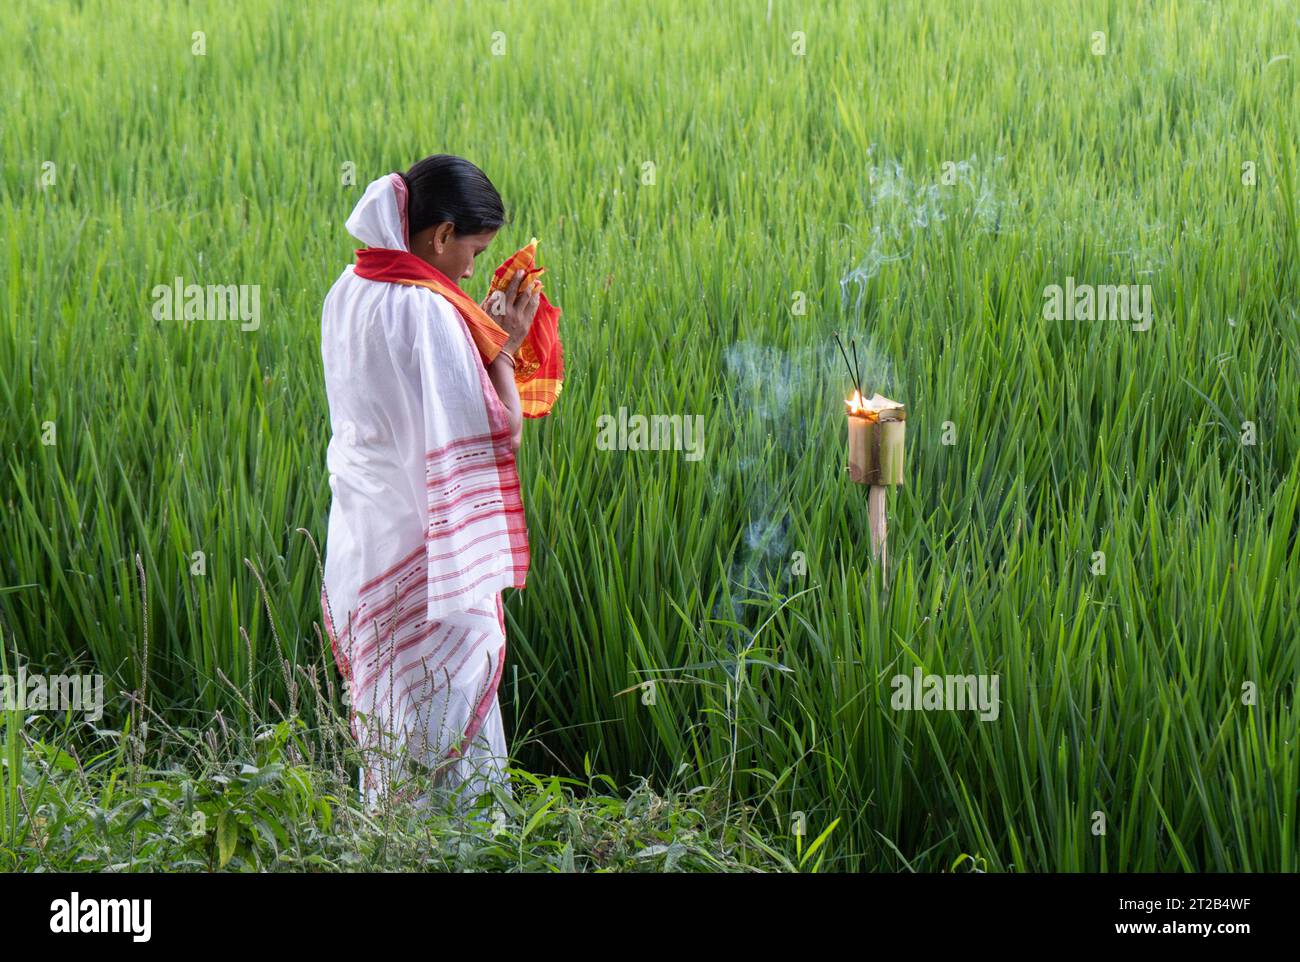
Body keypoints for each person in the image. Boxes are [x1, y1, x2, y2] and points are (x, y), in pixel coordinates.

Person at [318, 155, 541, 813]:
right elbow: (499, 430)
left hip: (367, 551)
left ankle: (387, 849)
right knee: (452, 743)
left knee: (390, 734)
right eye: (473, 250)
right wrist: (504, 345)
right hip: (428, 566)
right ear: (441, 235)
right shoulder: (430, 313)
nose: (473, 269)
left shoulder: (347, 290)